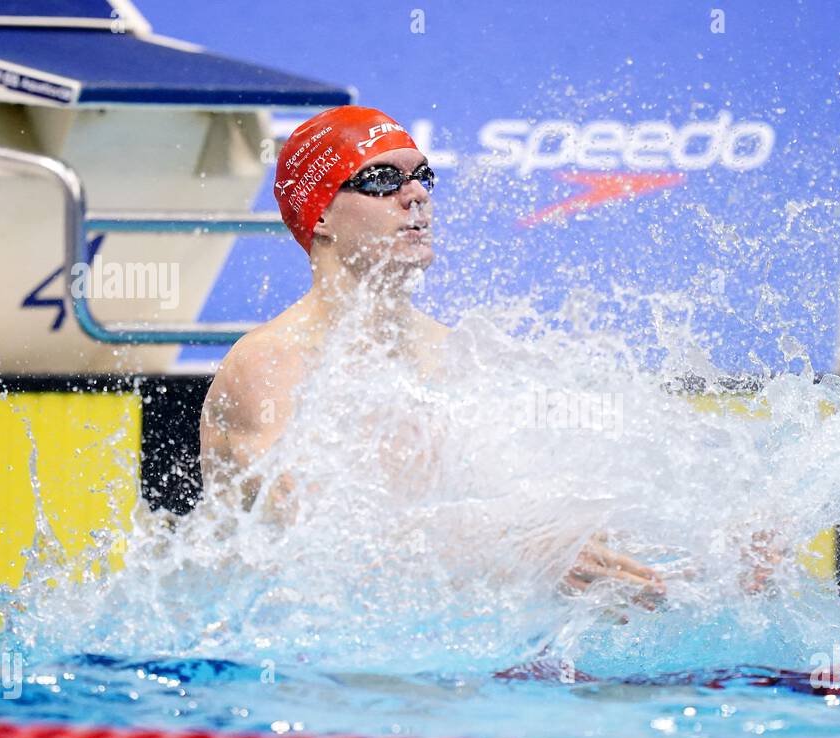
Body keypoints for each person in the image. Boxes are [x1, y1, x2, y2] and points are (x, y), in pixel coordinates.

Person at [198, 106, 666, 606]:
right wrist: (521, 548)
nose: (415, 194)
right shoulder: (271, 363)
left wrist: (641, 555)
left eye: (422, 176)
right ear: (321, 216)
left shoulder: (452, 352)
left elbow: (526, 500)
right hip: (299, 655)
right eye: (382, 179)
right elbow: (328, 542)